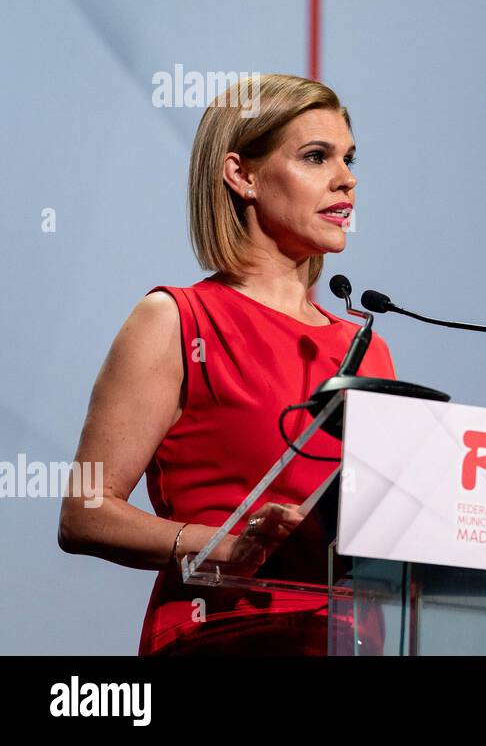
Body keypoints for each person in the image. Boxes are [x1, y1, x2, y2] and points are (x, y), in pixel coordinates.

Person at [57, 74, 396, 655]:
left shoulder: (365, 348)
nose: (347, 178)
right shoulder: (176, 319)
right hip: (225, 636)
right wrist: (220, 543)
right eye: (316, 157)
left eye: (348, 158)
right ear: (241, 175)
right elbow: (86, 513)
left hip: (349, 641)